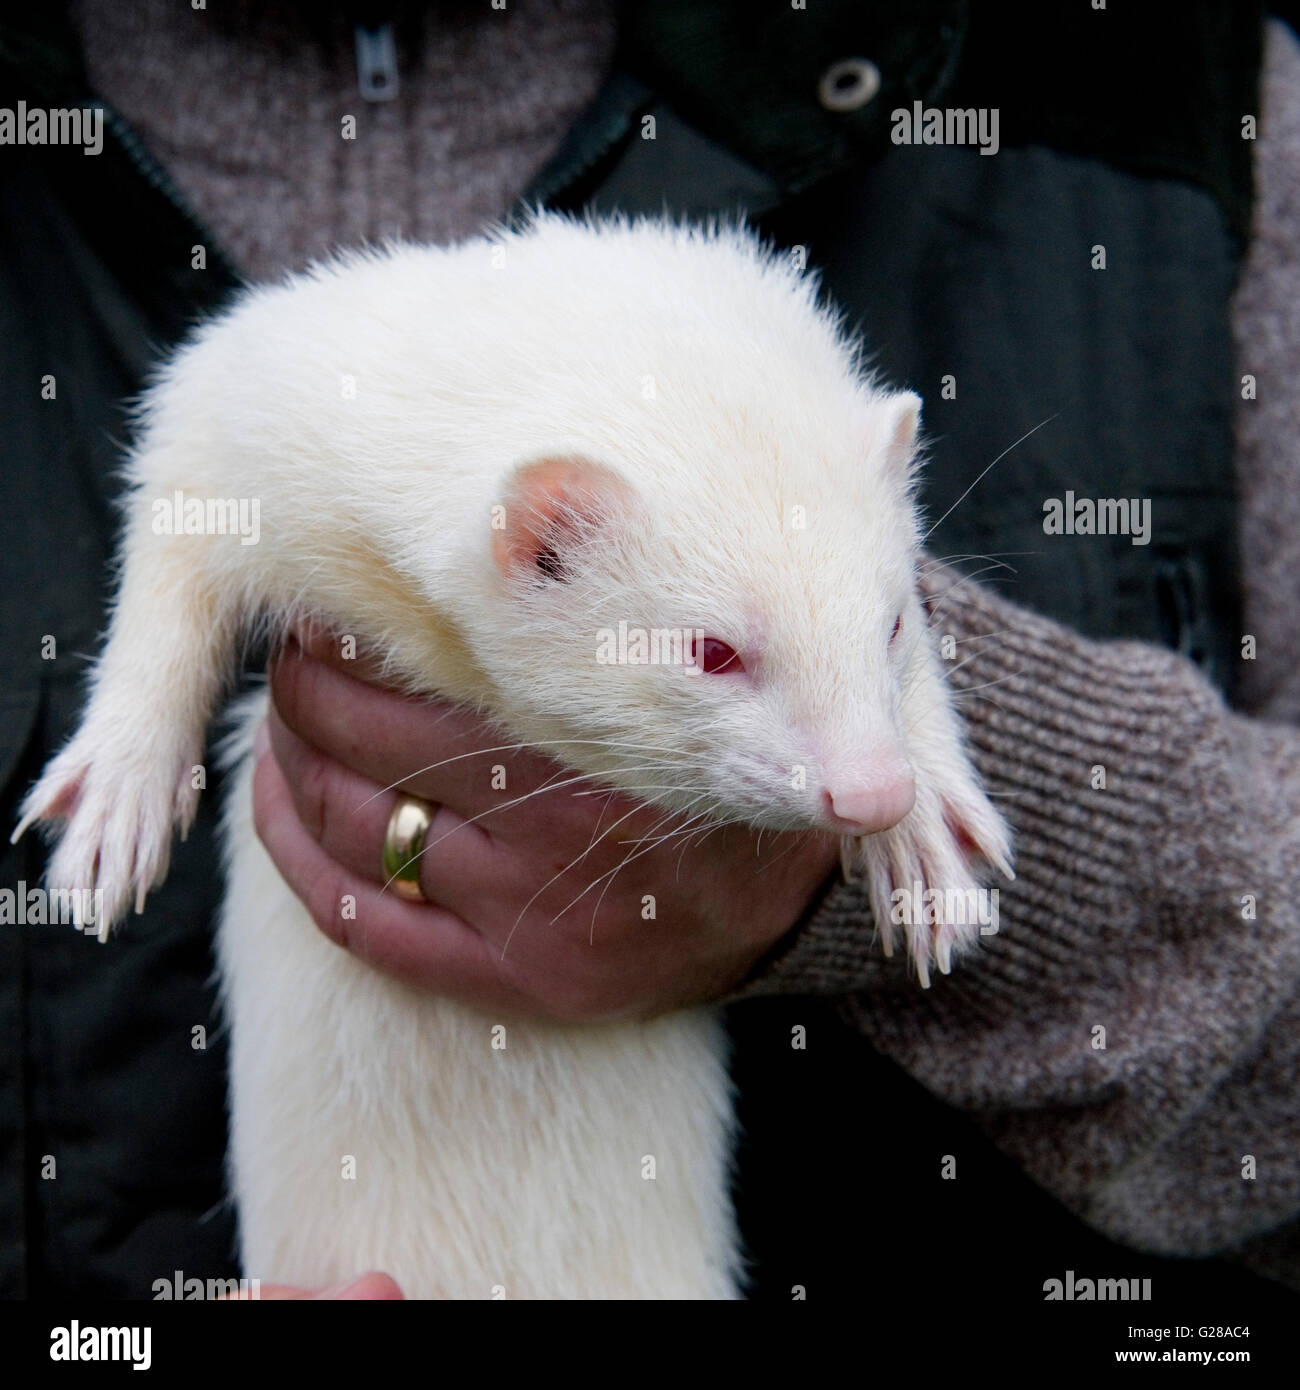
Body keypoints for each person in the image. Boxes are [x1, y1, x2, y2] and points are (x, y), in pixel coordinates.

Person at [2, 0, 1297, 1307]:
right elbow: (210, 443)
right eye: (724, 657)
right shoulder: (336, 409)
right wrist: (143, 711)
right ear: (543, 541)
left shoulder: (1172, 99)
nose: (868, 786)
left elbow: (873, 606)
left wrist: (957, 774)